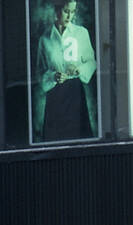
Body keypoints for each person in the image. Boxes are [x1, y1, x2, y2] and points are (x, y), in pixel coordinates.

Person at [33, 1, 97, 142]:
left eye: (73, 11)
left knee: (78, 137)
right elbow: (39, 72)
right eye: (66, 11)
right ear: (57, 11)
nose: (70, 16)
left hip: (75, 92)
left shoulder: (81, 33)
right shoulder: (44, 39)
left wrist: (79, 70)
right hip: (54, 96)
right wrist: (53, 76)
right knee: (55, 139)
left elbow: (92, 62)